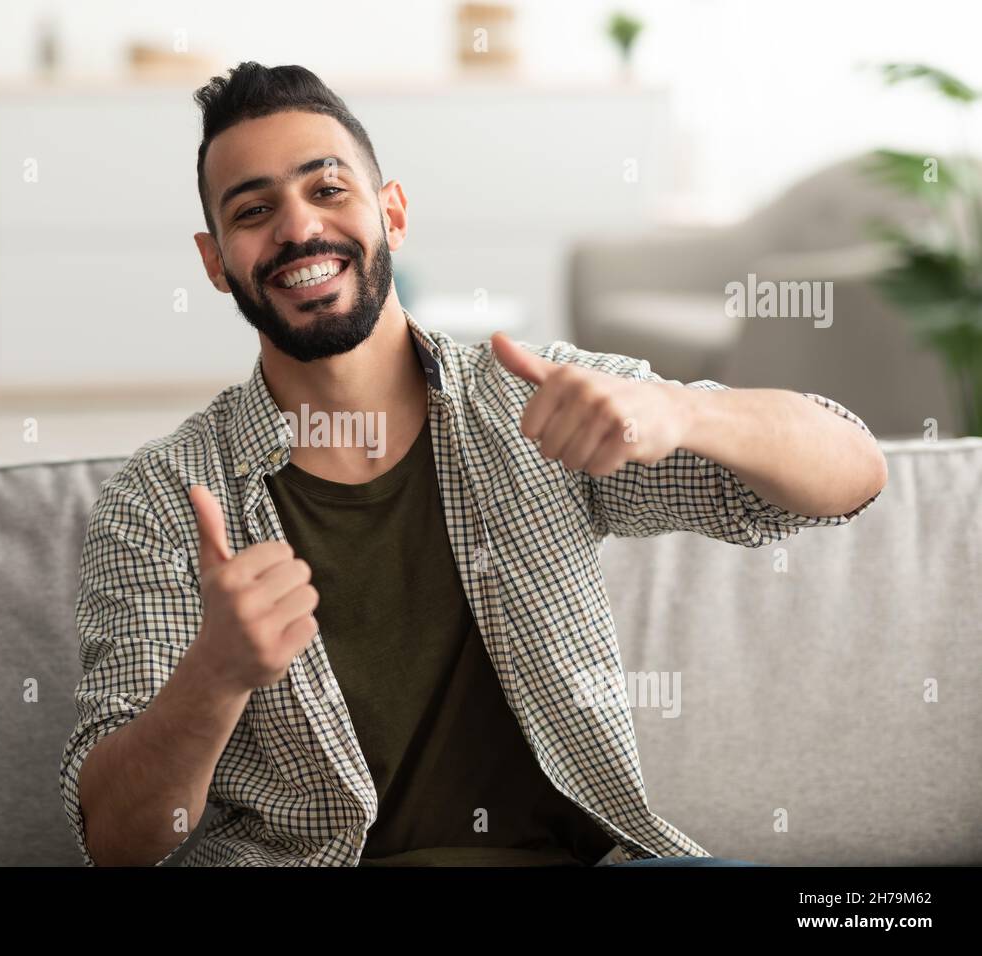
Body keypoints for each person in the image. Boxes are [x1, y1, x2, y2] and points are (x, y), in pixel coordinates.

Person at [59, 62, 886, 867]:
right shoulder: (164, 501)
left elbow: (852, 470)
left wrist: (685, 411)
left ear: (394, 212)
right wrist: (214, 677)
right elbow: (119, 841)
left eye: (328, 188)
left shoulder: (537, 401)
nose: (299, 228)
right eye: (254, 210)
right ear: (215, 262)